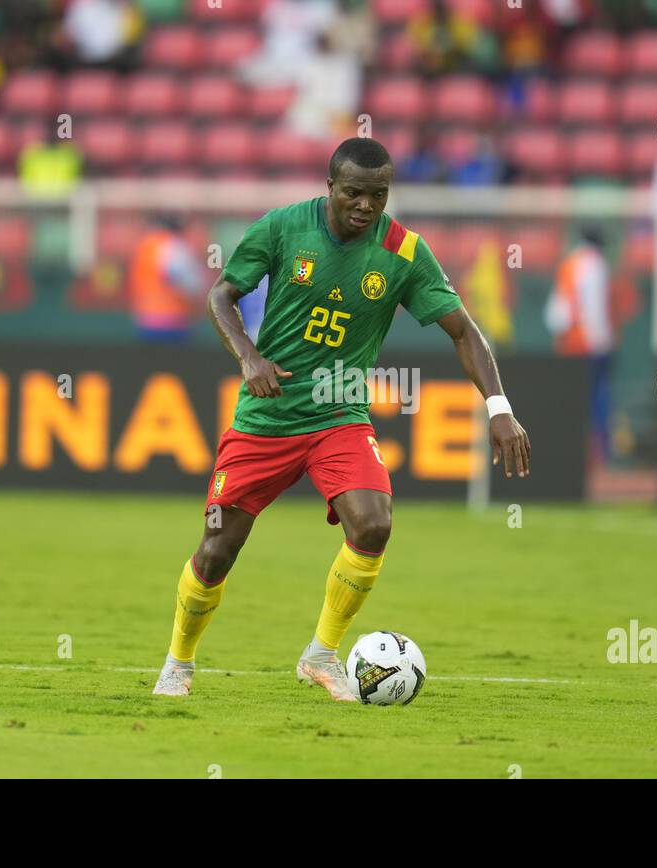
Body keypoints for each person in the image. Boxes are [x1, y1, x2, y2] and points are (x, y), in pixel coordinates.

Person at [151, 137, 531, 699]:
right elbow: (221, 296)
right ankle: (178, 661)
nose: (366, 206)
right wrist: (249, 356)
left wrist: (499, 408)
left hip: (340, 413)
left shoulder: (402, 251)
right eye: (354, 192)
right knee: (217, 548)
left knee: (374, 524)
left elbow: (463, 331)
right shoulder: (283, 228)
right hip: (268, 417)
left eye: (378, 195)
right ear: (330, 186)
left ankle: (321, 654)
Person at [546, 228, 613, 467]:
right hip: (590, 345)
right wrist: (602, 341)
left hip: (570, 344)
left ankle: (571, 453)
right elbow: (593, 309)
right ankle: (601, 456)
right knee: (598, 400)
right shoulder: (595, 265)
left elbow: (555, 313)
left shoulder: (569, 264)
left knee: (573, 401)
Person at [128, 219, 206, 342]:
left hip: (146, 319)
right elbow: (186, 281)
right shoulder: (174, 246)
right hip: (174, 320)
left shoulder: (146, 245)